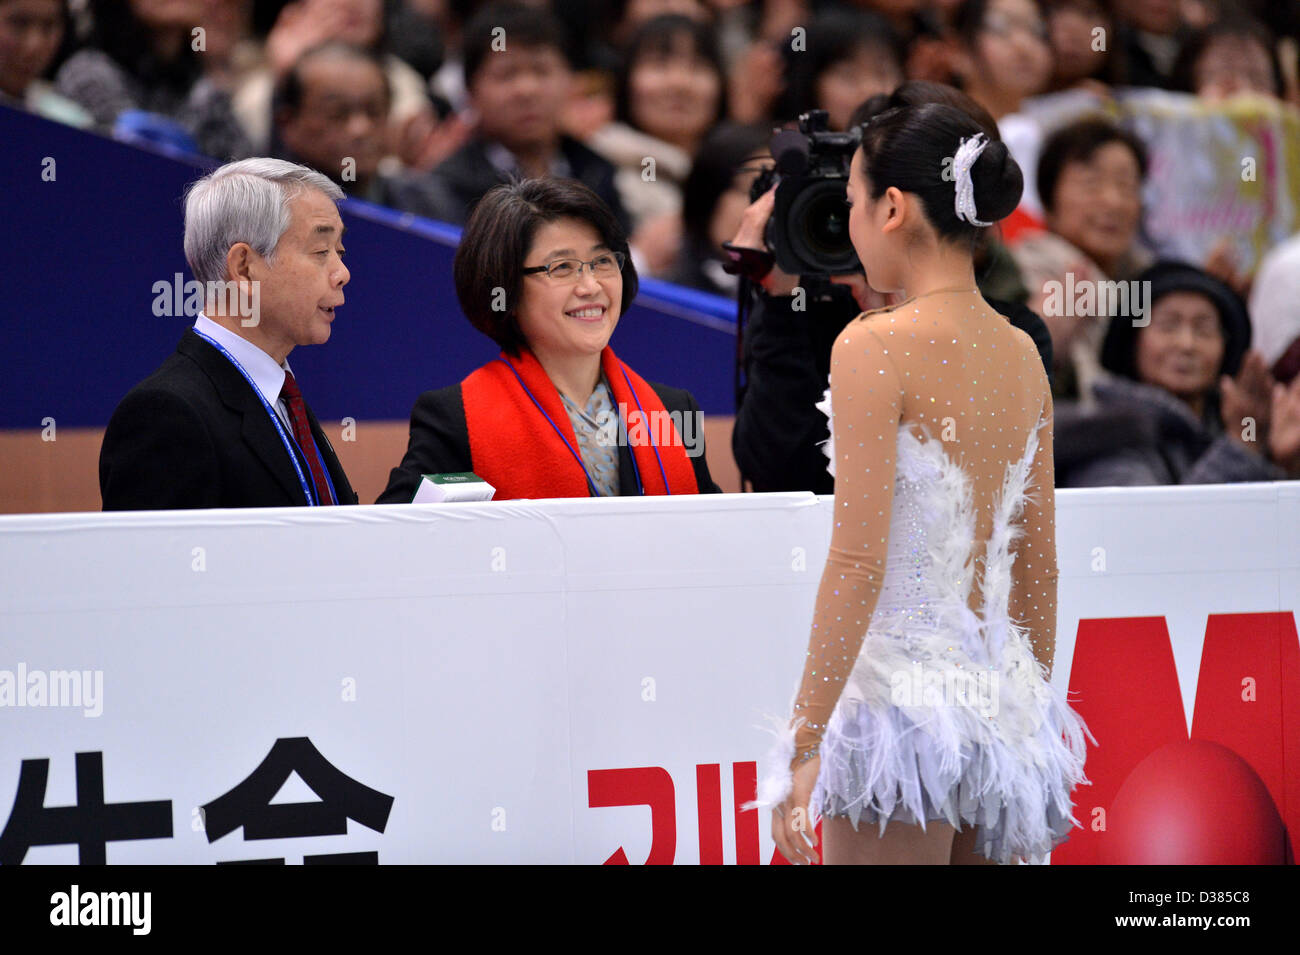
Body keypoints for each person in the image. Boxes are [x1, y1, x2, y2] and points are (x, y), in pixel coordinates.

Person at [745, 101, 1092, 865]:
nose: (852, 226)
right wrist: (1026, 717)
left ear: (891, 208)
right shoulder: (1020, 351)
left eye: (854, 204)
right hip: (996, 708)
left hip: (900, 715)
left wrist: (804, 740)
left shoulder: (873, 345)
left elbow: (859, 562)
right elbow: (1038, 562)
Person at [731, 81, 1054, 494]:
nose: (845, 218)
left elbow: (1005, 495)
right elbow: (778, 479)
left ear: (892, 207)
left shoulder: (1016, 337)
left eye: (853, 196)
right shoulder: (804, 317)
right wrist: (779, 305)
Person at [377, 176, 721, 502]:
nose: (590, 286)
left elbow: (711, 535)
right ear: (507, 288)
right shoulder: (456, 419)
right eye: (562, 268)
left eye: (601, 261)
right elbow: (399, 537)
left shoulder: (672, 410)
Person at [100, 158, 359, 509]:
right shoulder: (166, 415)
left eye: (339, 251)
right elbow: (159, 562)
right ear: (244, 267)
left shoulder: (281, 396)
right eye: (321, 251)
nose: (342, 272)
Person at [1059, 261, 1296, 486]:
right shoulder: (1106, 435)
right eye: (1167, 326)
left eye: (1204, 330)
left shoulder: (1236, 421)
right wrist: (1242, 445)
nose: (1187, 344)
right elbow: (1151, 524)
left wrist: (1283, 463)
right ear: (1133, 341)